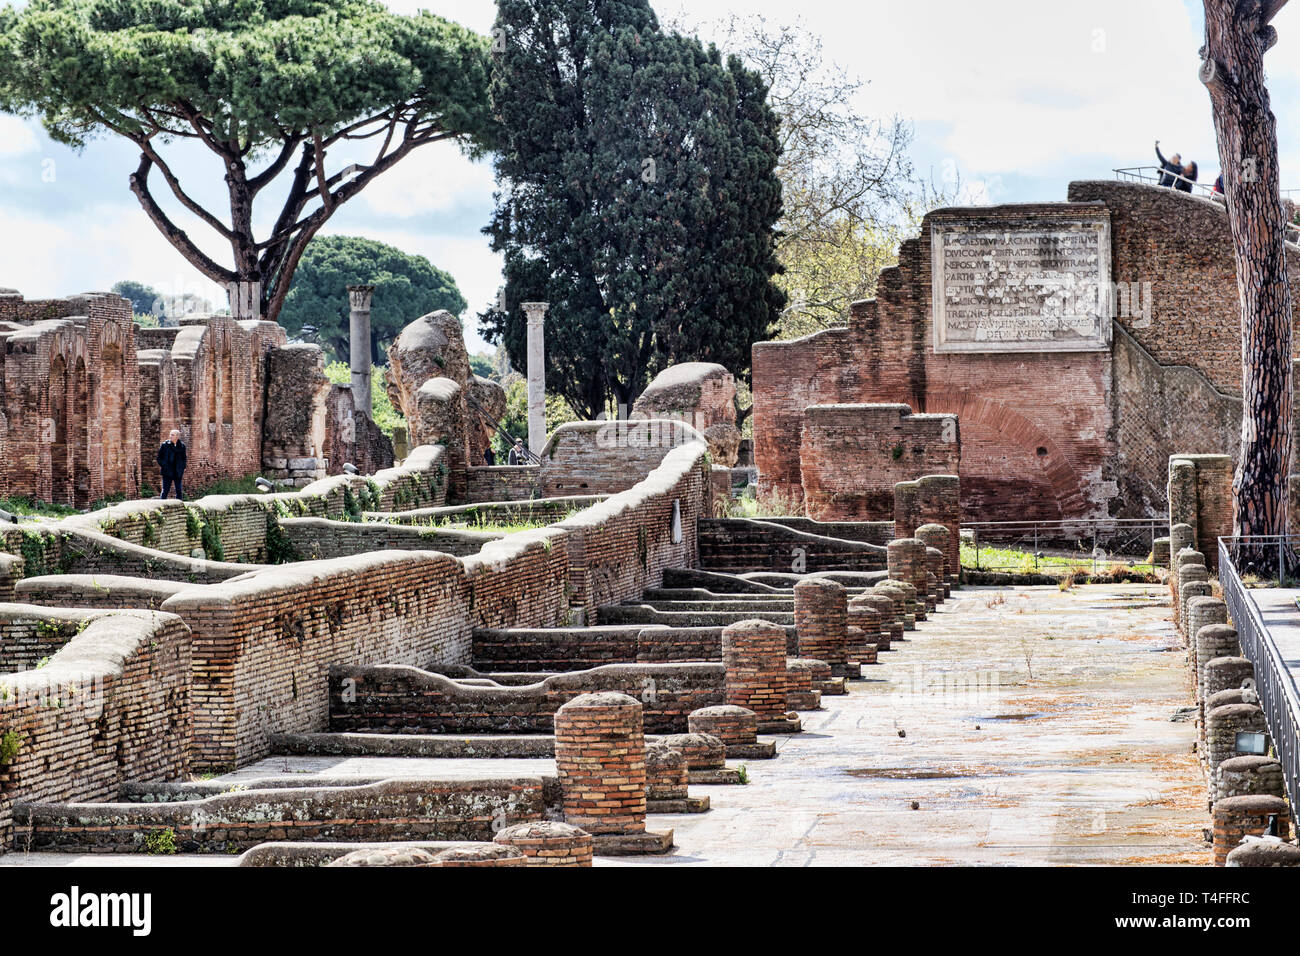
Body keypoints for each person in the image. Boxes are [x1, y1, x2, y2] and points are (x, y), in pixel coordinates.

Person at [157, 428, 187, 500]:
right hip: (167, 471)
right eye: (170, 434)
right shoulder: (165, 445)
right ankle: (162, 506)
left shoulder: (182, 446)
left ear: (177, 436)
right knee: (165, 490)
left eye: (172, 435)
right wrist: (164, 465)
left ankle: (180, 505)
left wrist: (182, 467)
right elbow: (159, 457)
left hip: (178, 471)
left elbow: (184, 458)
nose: (170, 436)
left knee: (179, 490)